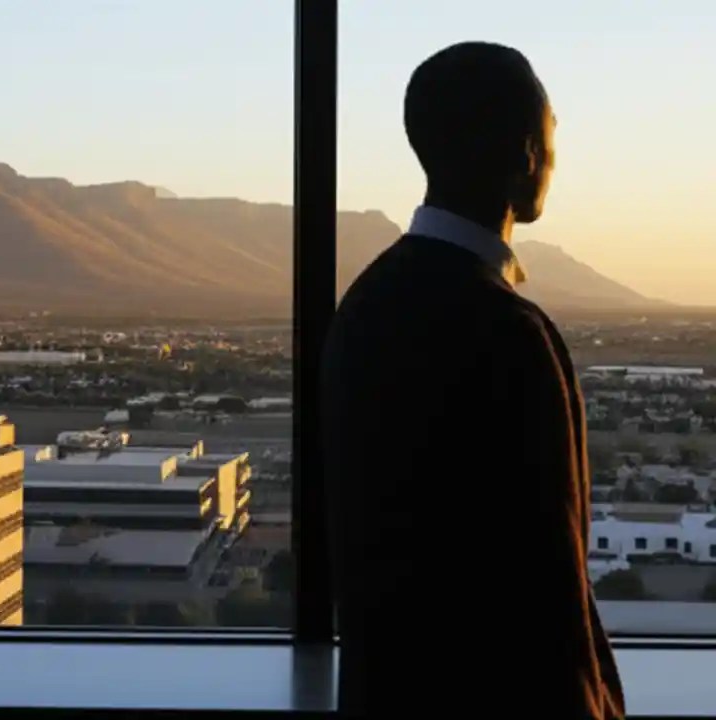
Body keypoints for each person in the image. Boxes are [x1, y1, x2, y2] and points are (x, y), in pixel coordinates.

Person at [321, 42, 624, 718]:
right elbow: (551, 590)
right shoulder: (508, 331)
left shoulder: (365, 306)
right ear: (524, 153)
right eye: (551, 136)